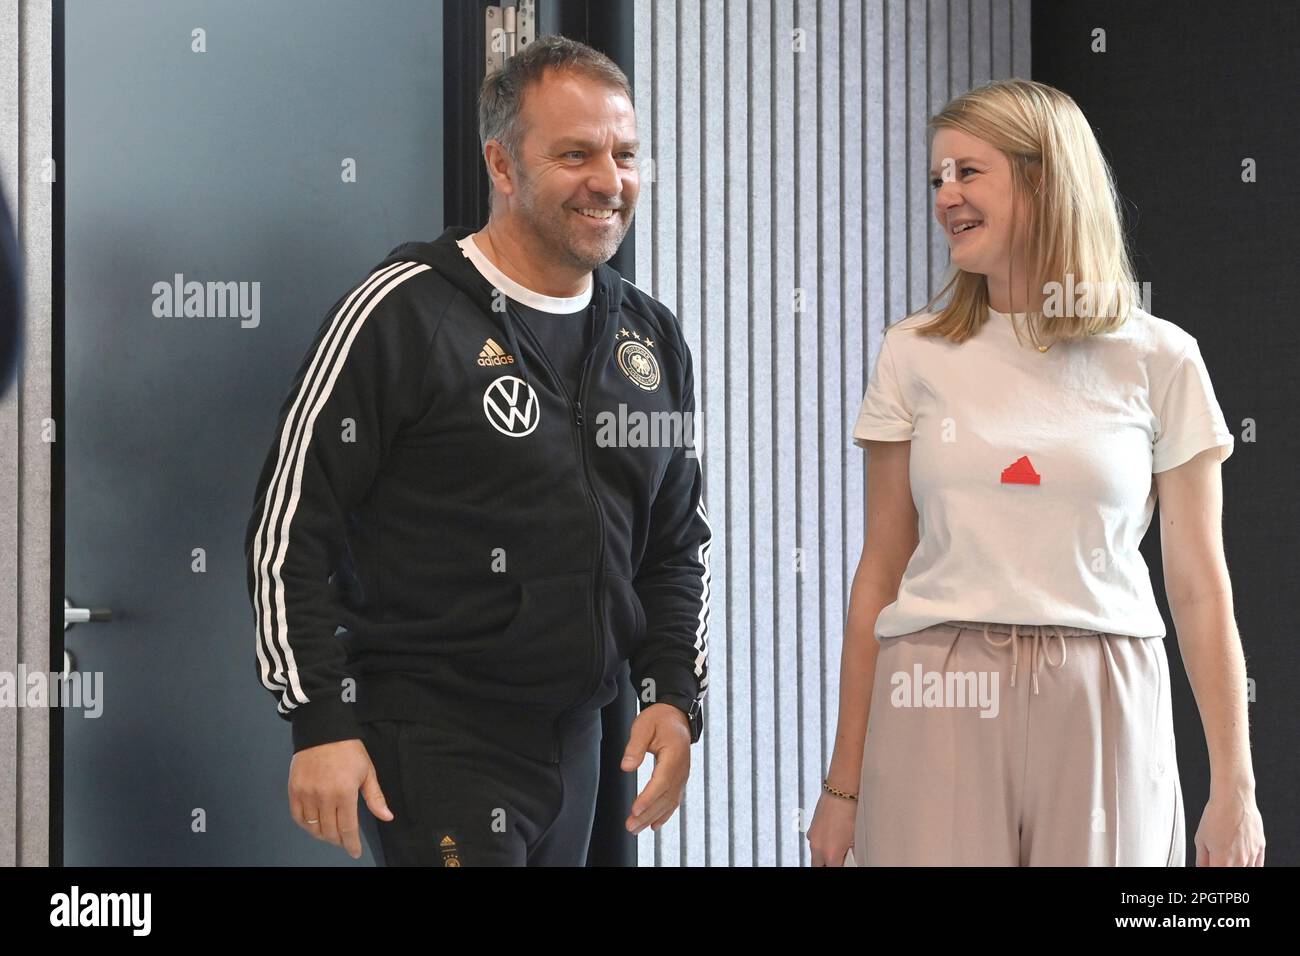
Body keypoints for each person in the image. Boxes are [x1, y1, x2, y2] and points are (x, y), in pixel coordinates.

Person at [243, 36, 711, 866]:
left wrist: (672, 693)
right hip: (438, 739)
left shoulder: (649, 333)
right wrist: (318, 719)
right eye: (576, 154)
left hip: (588, 743)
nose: (610, 181)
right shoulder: (402, 314)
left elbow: (673, 545)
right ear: (503, 166)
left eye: (626, 154)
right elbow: (289, 530)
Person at [808, 78, 1264, 866]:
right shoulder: (912, 352)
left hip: (1104, 696)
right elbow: (879, 571)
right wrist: (841, 788)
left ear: (1045, 177)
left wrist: (1235, 789)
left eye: (968, 172)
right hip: (936, 691)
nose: (945, 194)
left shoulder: (1162, 358)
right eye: (937, 178)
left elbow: (1198, 585)